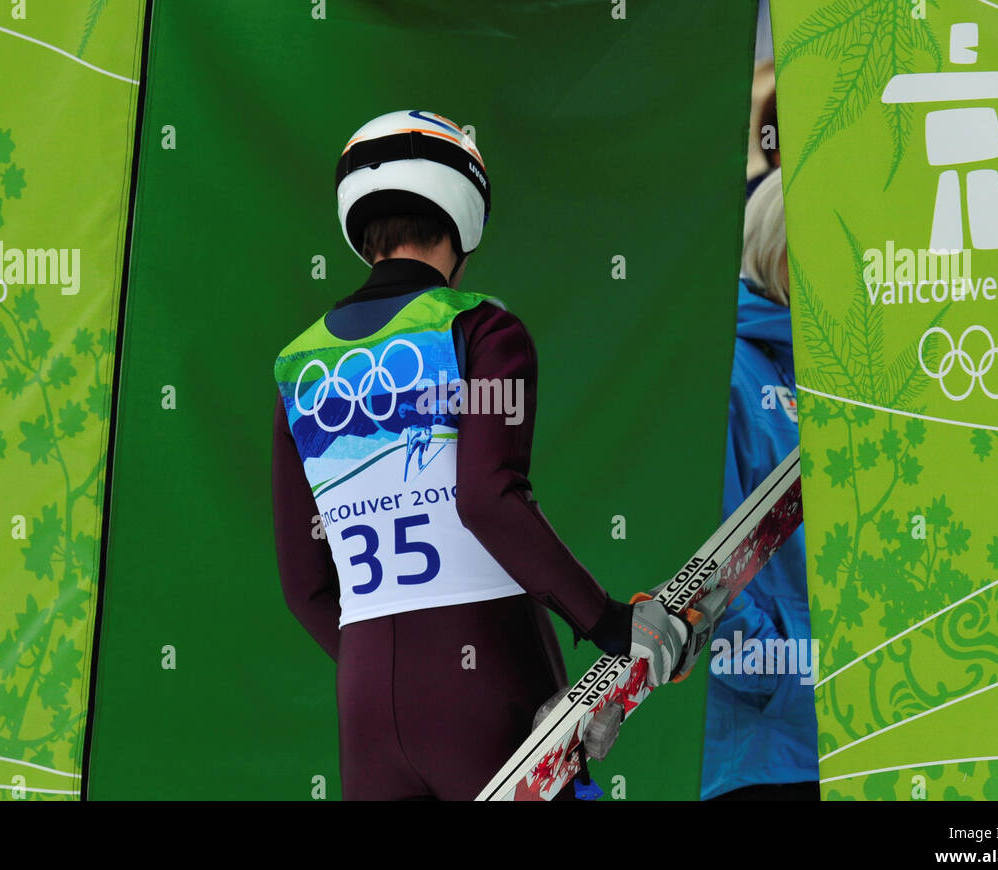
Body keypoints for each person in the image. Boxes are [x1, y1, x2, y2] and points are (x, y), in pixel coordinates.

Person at [270, 110, 688, 800]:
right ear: (464, 214)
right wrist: (611, 623)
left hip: (365, 700)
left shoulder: (298, 367)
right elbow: (488, 498)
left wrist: (388, 671)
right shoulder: (484, 329)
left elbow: (304, 587)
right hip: (488, 671)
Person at [700, 169, 819, 801]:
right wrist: (783, 677)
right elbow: (702, 569)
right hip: (761, 752)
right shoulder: (728, 373)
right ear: (781, 252)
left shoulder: (849, 371)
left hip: (858, 732)